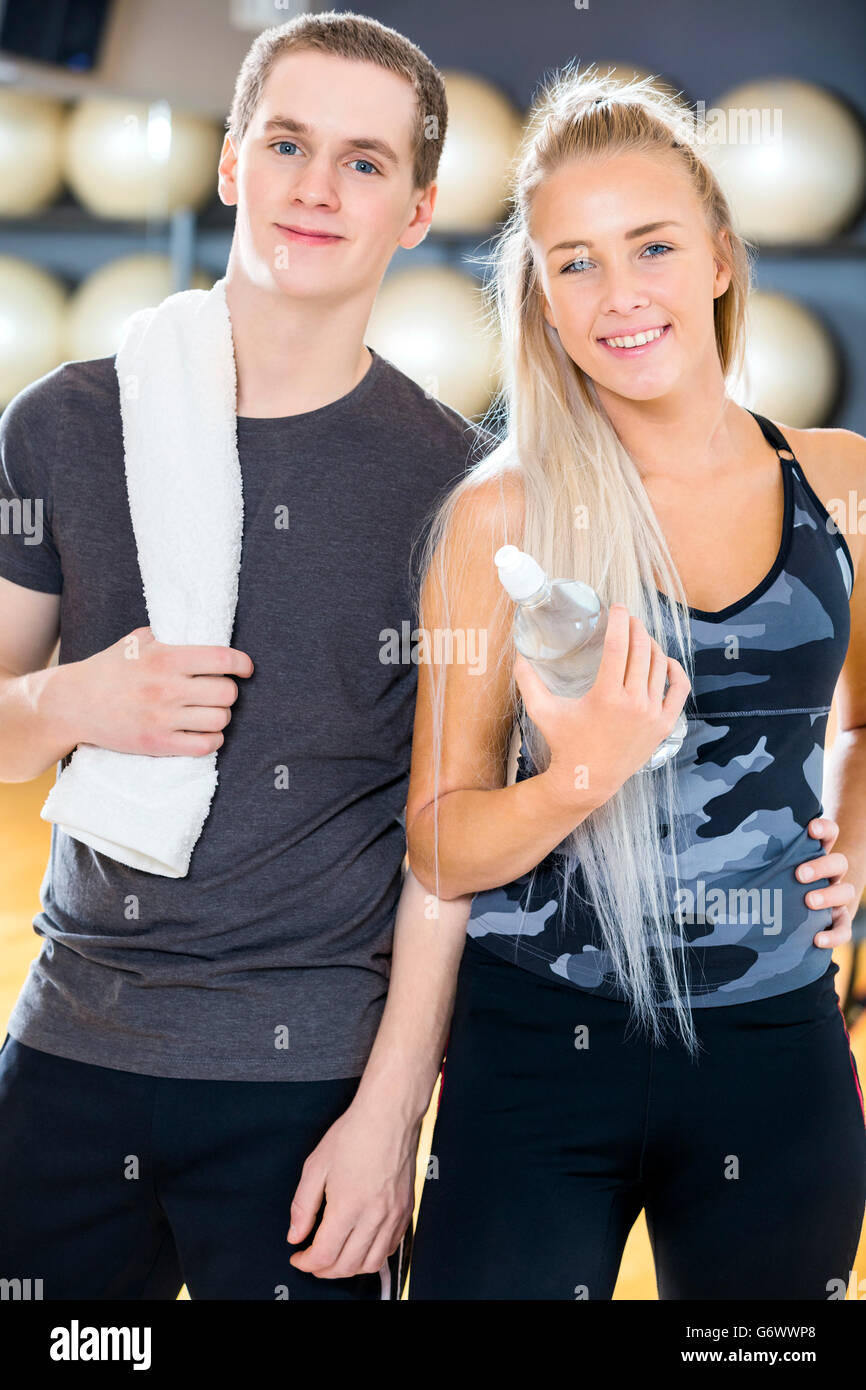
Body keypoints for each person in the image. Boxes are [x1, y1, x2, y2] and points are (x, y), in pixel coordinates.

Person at [0, 12, 486, 1300]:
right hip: (71, 1045)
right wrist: (73, 697)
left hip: (307, 1080)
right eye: (286, 144)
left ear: (419, 209)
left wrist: (390, 1118)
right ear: (230, 166)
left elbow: (449, 846)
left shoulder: (455, 485)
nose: (317, 189)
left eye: (365, 162)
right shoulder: (62, 424)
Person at [392, 65, 866, 1299]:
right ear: (542, 304)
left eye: (648, 245)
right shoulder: (499, 521)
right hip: (539, 1047)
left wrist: (856, 839)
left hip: (774, 1044)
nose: (617, 295)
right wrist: (579, 777)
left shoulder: (837, 479)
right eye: (574, 263)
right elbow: (440, 848)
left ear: (716, 256)